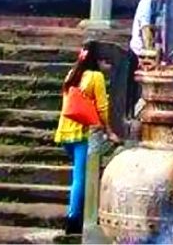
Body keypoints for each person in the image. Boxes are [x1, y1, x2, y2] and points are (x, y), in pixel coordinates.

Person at [54, 43, 114, 236]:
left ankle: (79, 214)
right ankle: (73, 219)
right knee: (80, 177)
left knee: (79, 175)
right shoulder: (96, 77)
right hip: (82, 131)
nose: (109, 65)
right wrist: (109, 130)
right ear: (98, 60)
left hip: (65, 132)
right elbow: (102, 107)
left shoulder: (72, 74)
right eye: (106, 61)